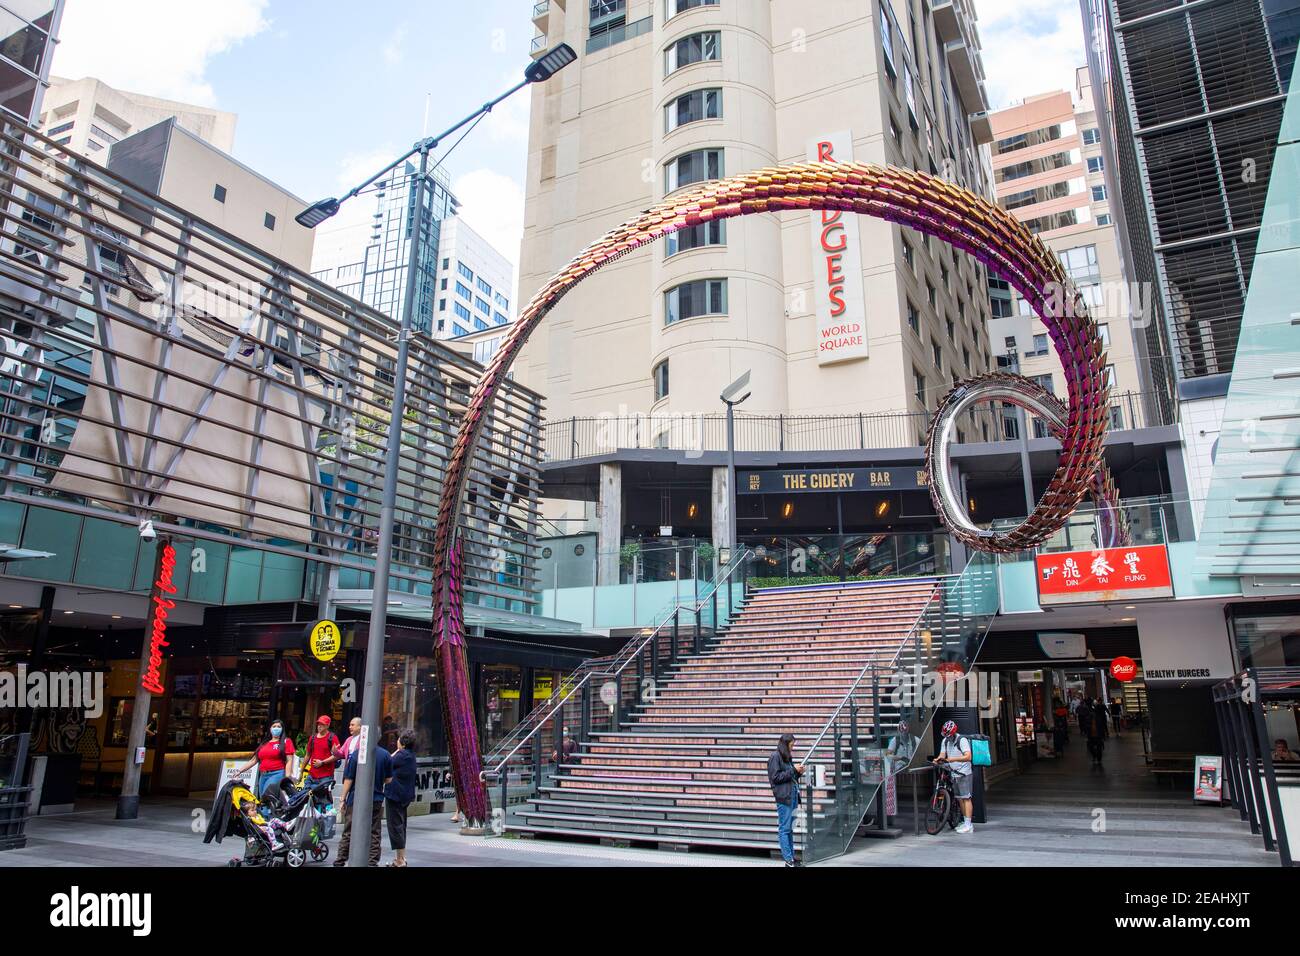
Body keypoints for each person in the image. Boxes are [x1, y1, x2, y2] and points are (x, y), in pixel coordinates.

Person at [334, 738, 393, 867]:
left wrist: (342, 798)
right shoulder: (385, 755)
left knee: (349, 830)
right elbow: (389, 779)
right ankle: (372, 862)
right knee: (374, 831)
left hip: (355, 798)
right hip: (376, 798)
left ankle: (340, 860)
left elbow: (348, 779)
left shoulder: (357, 754)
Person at [234, 719, 296, 798]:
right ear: (270, 729)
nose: (276, 728)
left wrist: (287, 778)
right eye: (274, 726)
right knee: (263, 800)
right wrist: (239, 771)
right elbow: (253, 760)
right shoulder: (265, 743)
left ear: (282, 729)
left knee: (267, 797)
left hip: (277, 774)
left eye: (279, 727)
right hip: (263, 775)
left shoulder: (286, 741)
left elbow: (289, 761)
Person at [767, 732, 804, 867]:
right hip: (784, 798)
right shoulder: (775, 757)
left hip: (793, 796)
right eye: (791, 745)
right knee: (785, 828)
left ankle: (791, 858)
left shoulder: (787, 757)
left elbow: (789, 778)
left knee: (790, 828)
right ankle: (788, 860)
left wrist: (797, 773)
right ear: (785, 744)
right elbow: (775, 778)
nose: (792, 747)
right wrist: (793, 770)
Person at [933, 720, 974, 833]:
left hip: (964, 772)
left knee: (966, 797)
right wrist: (938, 759)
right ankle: (965, 822)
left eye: (949, 735)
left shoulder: (962, 740)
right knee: (959, 798)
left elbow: (968, 756)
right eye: (945, 735)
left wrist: (952, 759)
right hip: (954, 773)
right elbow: (942, 754)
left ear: (954, 732)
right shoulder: (945, 740)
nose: (947, 737)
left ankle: (969, 825)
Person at [385, 731, 418, 867]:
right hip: (404, 795)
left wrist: (397, 751)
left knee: (396, 826)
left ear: (403, 743)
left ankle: (400, 860)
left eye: (399, 740)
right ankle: (401, 858)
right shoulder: (410, 755)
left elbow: (387, 762)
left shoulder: (401, 755)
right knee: (400, 825)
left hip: (396, 795)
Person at [301, 715, 341, 794]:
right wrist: (301, 771)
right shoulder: (312, 738)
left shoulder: (332, 737)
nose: (319, 726)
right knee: (304, 797)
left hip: (326, 776)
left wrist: (322, 762)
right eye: (318, 724)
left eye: (322, 724)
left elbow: (337, 755)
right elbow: (307, 755)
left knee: (322, 801)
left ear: (328, 725)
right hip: (311, 775)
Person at [333, 716, 363, 822]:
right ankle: (345, 808)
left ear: (360, 727)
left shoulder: (363, 739)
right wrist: (335, 751)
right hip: (348, 769)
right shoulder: (349, 740)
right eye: (350, 725)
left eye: (352, 725)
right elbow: (341, 753)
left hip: (358, 772)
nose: (350, 727)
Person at [1086, 698, 1109, 767]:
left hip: (1098, 735)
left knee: (1099, 748)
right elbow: (1087, 727)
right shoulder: (1089, 720)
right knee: (1091, 748)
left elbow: (1102, 727)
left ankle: (1098, 758)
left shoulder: (1099, 719)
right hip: (1092, 735)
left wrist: (1103, 735)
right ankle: (1094, 756)